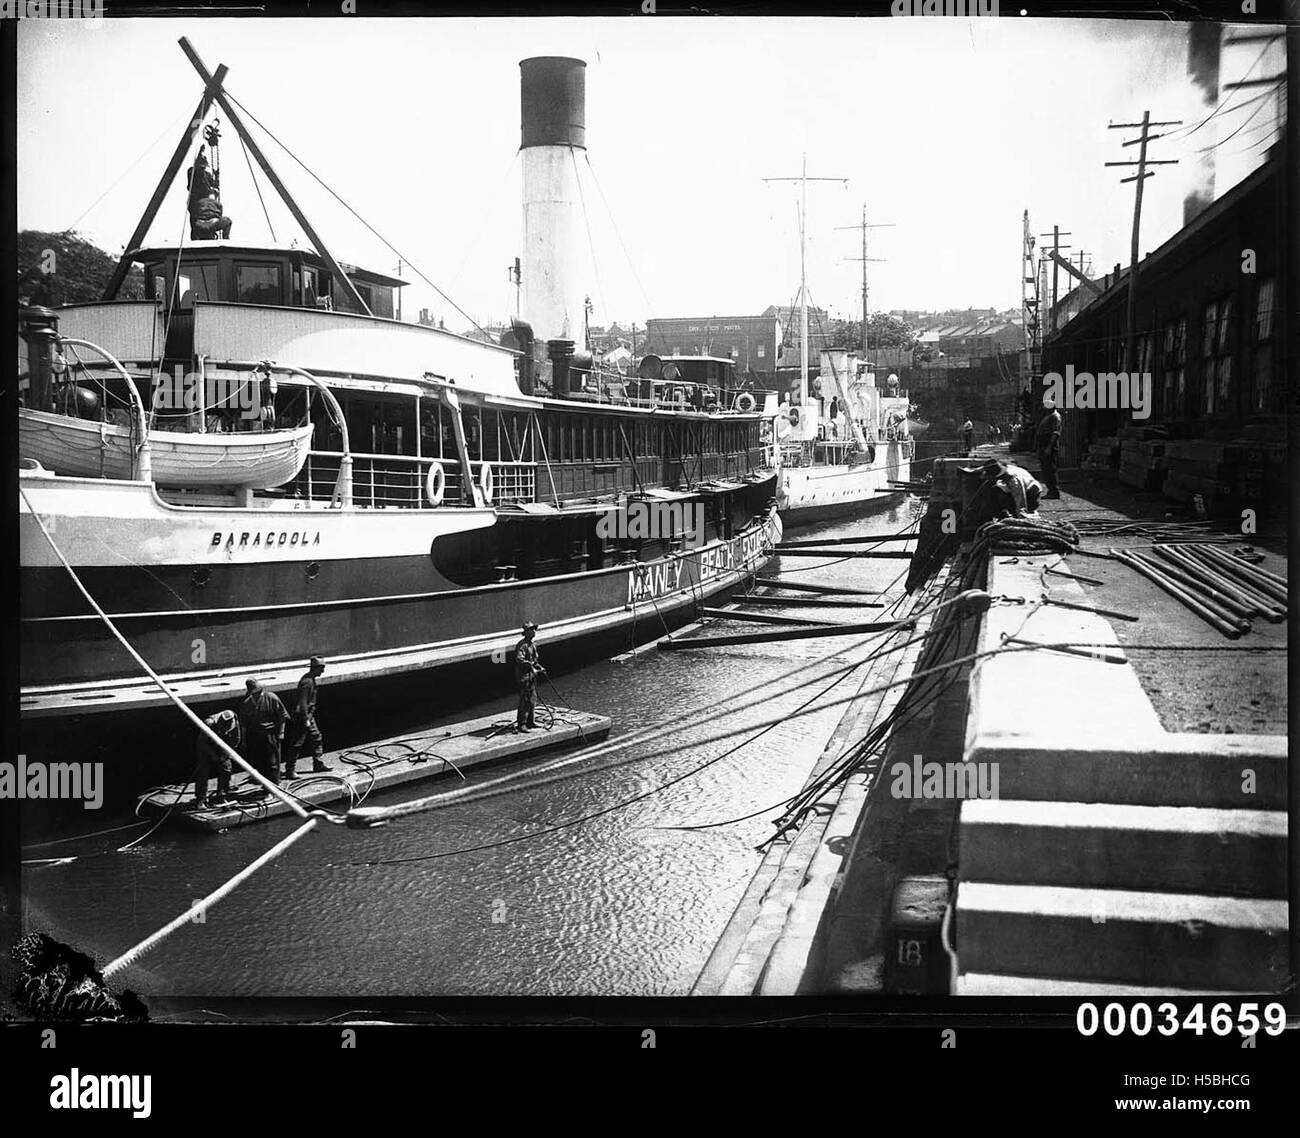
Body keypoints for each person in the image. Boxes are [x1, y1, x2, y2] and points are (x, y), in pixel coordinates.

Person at [238, 678, 288, 791]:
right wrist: (244, 740)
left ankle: (275, 785)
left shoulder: (271, 698)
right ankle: (266, 786)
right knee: (260, 762)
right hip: (255, 736)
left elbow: (282, 716)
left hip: (270, 734)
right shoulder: (247, 704)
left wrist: (281, 732)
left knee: (273, 762)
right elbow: (244, 724)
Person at [284, 657, 329, 779]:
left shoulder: (311, 680)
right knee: (297, 743)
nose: (323, 671)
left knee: (316, 737)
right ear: (316, 668)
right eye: (322, 668)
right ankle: (290, 770)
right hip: (302, 716)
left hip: (308, 715)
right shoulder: (307, 682)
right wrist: (305, 720)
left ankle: (318, 764)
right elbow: (302, 703)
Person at [194, 709, 241, 809]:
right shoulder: (209, 723)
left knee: (226, 768)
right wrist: (214, 756)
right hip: (207, 746)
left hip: (222, 744)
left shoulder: (234, 720)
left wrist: (227, 753)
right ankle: (201, 799)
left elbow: (236, 739)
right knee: (203, 772)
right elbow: (202, 743)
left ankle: (222, 795)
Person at [979, 457, 1043, 517]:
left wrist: (1020, 512)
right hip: (1023, 488)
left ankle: (1020, 510)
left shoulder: (1013, 479)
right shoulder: (1003, 468)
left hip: (1032, 493)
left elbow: (1019, 496)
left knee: (1006, 498)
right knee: (997, 490)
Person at [514, 622, 545, 732]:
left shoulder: (532, 645)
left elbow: (534, 661)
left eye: (535, 629)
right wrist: (531, 667)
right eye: (532, 629)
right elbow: (520, 659)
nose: (534, 631)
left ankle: (530, 722)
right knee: (525, 700)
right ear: (527, 632)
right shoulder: (522, 645)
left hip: (531, 677)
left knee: (532, 699)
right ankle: (522, 724)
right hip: (524, 677)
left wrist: (539, 667)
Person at [1035, 400, 1063, 498]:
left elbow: (1055, 433)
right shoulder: (1048, 416)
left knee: (1050, 468)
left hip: (1049, 445)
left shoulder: (1055, 416)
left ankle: (1054, 491)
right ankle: (1051, 490)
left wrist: (1049, 447)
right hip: (1044, 445)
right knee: (1045, 468)